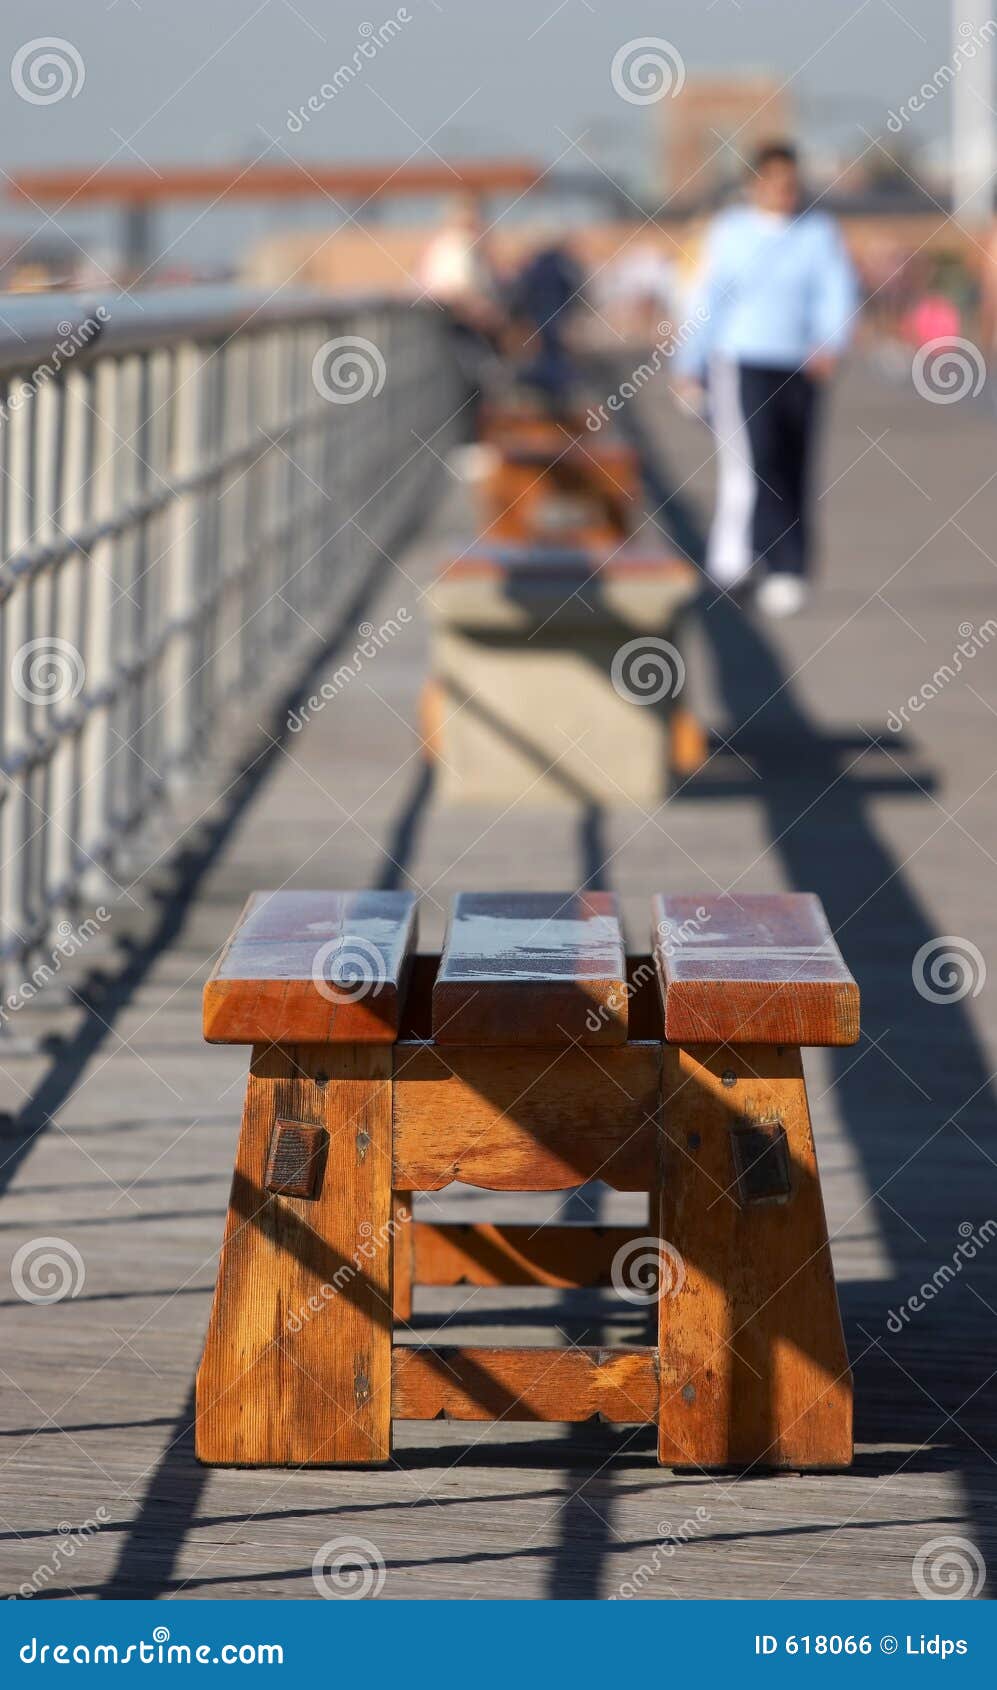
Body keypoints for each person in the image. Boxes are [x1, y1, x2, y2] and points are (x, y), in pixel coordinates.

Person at [675, 142, 858, 616]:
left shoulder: (818, 232)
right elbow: (707, 300)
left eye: (790, 183)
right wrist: (687, 364)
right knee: (755, 462)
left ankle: (791, 567)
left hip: (800, 364)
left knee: (796, 463)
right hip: (742, 362)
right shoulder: (729, 233)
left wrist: (830, 343)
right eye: (773, 182)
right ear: (754, 184)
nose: (782, 192)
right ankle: (741, 561)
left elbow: (836, 290)